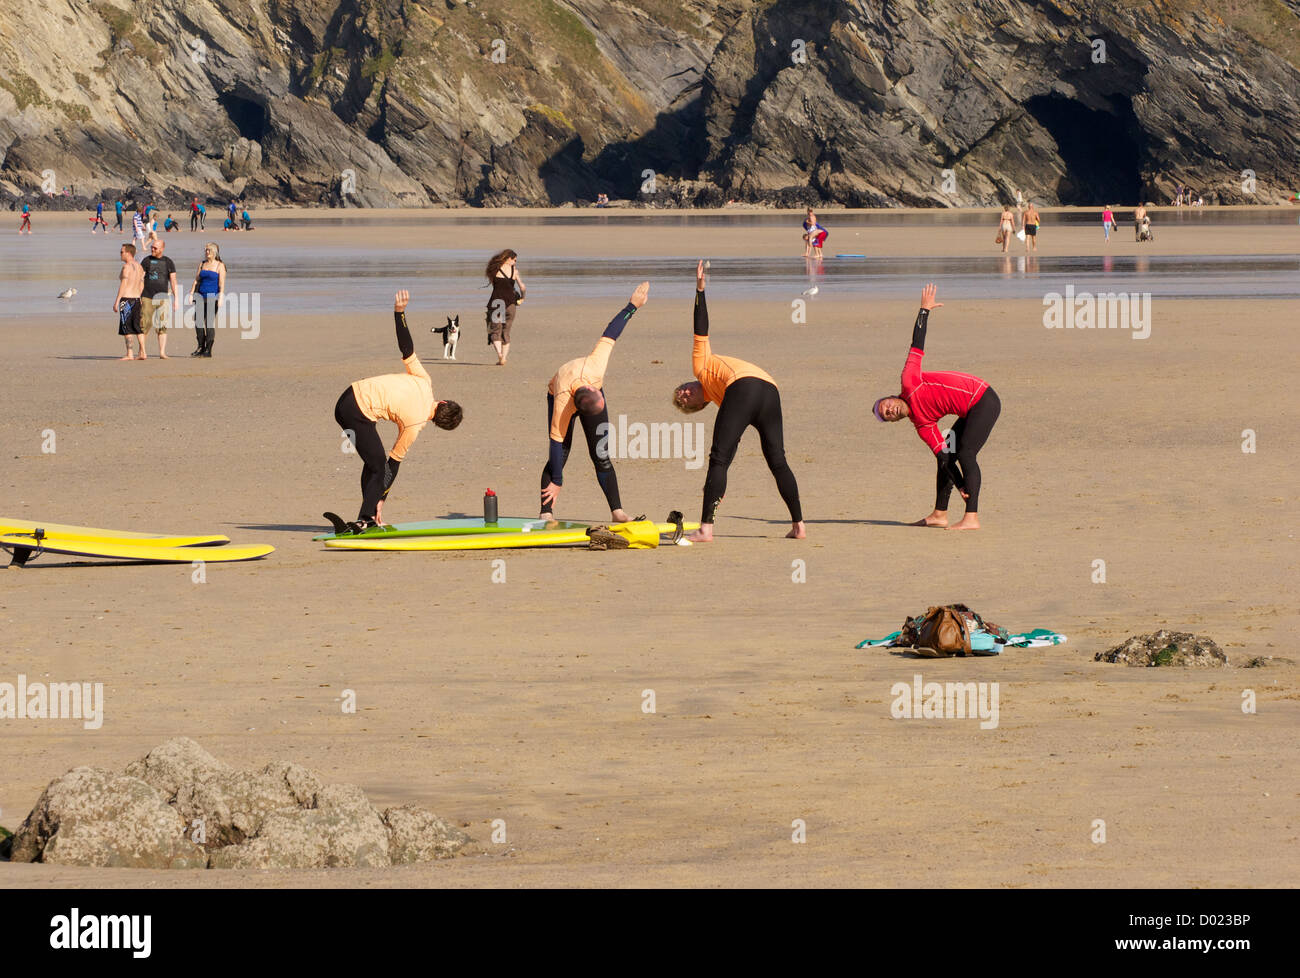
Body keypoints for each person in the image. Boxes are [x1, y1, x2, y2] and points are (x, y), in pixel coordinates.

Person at [672, 260, 805, 542]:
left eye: (681, 390)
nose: (684, 392)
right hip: (768, 390)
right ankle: (799, 527)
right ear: (698, 407)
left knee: (719, 460)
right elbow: (733, 435)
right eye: (684, 400)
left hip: (748, 386)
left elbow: (700, 330)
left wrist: (699, 291)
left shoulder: (701, 365)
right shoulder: (722, 400)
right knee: (772, 460)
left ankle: (706, 529)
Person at [332, 290, 464, 532]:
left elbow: (407, 348)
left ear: (443, 402)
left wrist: (399, 313)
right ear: (439, 423)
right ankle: (366, 518)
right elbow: (393, 466)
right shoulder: (414, 427)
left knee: (373, 462)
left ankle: (368, 514)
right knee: (379, 465)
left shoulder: (425, 380)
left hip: (347, 396)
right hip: (356, 412)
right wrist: (383, 498)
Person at [872, 283, 1000, 531]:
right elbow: (943, 457)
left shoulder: (910, 381)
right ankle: (939, 514)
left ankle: (971, 517)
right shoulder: (922, 425)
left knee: (965, 454)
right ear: (894, 421)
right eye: (887, 416)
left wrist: (924, 310)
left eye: (887, 405)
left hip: (983, 398)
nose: (890, 411)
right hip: (970, 409)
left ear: (892, 396)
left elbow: (917, 343)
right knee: (947, 457)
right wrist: (961, 484)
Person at [538, 283, 647, 523]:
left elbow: (611, 331)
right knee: (561, 454)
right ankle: (546, 512)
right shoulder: (563, 403)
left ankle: (617, 511)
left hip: (586, 384)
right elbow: (554, 443)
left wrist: (633, 306)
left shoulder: (595, 367)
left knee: (601, 454)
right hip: (556, 390)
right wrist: (558, 481)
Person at [139, 238, 178, 359]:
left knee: (162, 326)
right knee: (144, 324)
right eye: (152, 247)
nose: (152, 249)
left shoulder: (168, 262)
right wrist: (138, 296)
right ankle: (142, 352)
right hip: (147, 296)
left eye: (155, 248)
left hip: (163, 298)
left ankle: (162, 352)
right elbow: (140, 279)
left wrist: (176, 299)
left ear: (162, 249)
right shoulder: (146, 261)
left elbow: (173, 280)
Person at [485, 249, 525, 365]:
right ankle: (504, 357)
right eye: (514, 260)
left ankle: (500, 355)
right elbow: (522, 287)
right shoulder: (514, 271)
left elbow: (495, 285)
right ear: (509, 258)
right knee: (506, 331)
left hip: (496, 302)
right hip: (510, 303)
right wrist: (523, 297)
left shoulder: (494, 270)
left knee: (495, 330)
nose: (515, 263)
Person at [188, 242, 225, 358]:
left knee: (208, 323)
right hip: (200, 296)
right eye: (205, 250)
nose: (206, 252)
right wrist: (191, 294)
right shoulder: (202, 264)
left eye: (208, 250)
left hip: (212, 297)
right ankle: (200, 347)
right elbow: (196, 280)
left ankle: (208, 349)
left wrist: (221, 297)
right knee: (198, 323)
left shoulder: (220, 265)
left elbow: (221, 284)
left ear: (214, 251)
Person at [113, 243, 146, 360]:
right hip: (137, 299)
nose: (120, 254)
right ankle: (143, 352)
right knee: (138, 327)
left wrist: (117, 301)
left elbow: (124, 284)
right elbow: (142, 284)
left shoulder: (126, 267)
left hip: (126, 300)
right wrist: (140, 297)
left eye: (122, 252)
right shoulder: (139, 267)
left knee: (127, 328)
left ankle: (130, 353)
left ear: (128, 253)